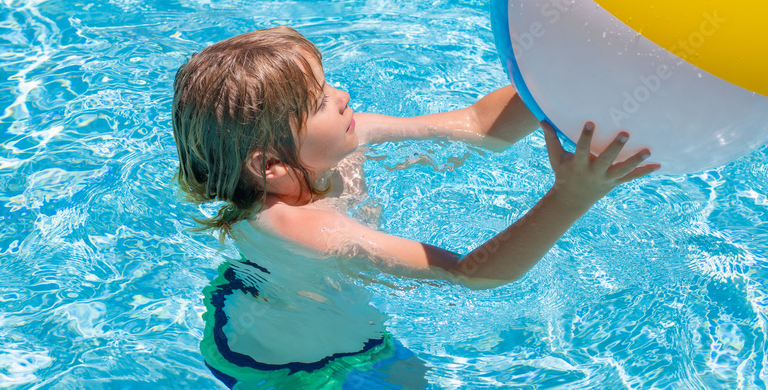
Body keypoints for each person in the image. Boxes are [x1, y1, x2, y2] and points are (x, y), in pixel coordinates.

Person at [172, 26, 659, 389]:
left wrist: (559, 76)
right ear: (272, 165)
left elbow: (476, 126)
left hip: (333, 328)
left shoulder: (334, 144)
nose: (341, 97)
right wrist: (571, 197)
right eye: (319, 101)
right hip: (290, 369)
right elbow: (473, 274)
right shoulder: (302, 229)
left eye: (329, 85)